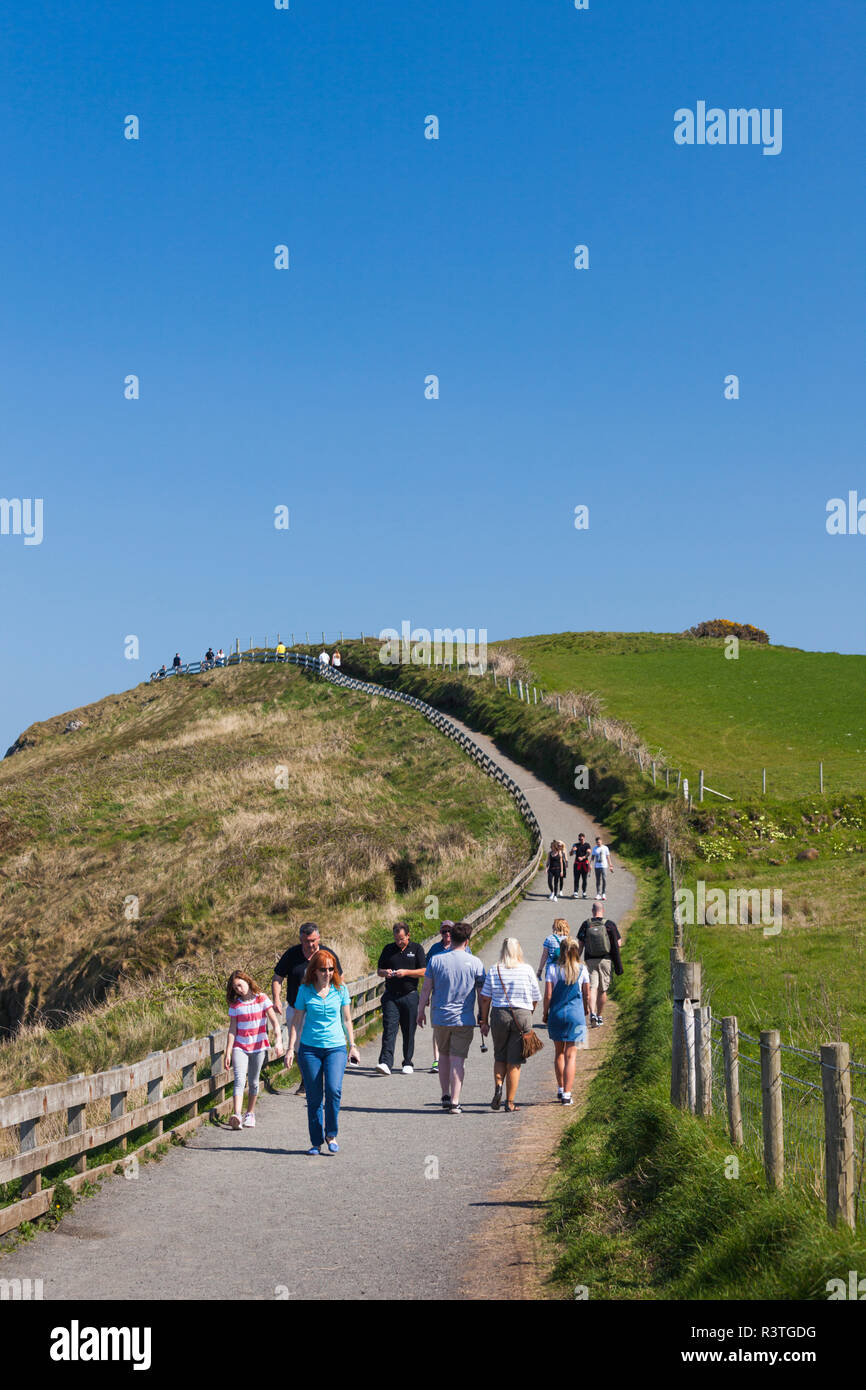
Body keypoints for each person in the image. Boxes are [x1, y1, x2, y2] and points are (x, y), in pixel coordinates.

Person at [286, 951, 360, 1154]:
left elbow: (346, 1019)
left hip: (336, 1047)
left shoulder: (340, 989)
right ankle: (316, 1141)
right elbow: (297, 1022)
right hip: (310, 1049)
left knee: (334, 1090)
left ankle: (331, 1134)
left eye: (331, 969)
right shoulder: (305, 990)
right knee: (314, 1096)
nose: (327, 973)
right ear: (314, 971)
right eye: (323, 969)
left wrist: (352, 1045)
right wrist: (290, 1048)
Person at [417, 922, 485, 1114]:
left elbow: (426, 989)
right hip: (463, 1019)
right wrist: (483, 1017)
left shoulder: (436, 961)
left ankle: (445, 1094)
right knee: (458, 1060)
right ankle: (455, 1101)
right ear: (467, 940)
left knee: (444, 1056)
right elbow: (482, 995)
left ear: (450, 938)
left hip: (440, 1017)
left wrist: (420, 1011)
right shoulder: (476, 963)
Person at [272, 924, 343, 1093]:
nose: (309, 945)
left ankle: (323, 1076)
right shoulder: (292, 954)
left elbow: (338, 979)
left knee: (322, 1043)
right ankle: (307, 1080)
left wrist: (339, 1002)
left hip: (320, 1008)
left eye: (312, 941)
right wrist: (276, 999)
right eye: (305, 941)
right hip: (296, 1008)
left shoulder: (326, 954)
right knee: (297, 1047)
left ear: (318, 938)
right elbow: (277, 977)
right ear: (300, 939)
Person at [479, 938, 541, 1113]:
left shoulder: (495, 969)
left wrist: (483, 1020)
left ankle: (498, 1086)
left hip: (499, 1014)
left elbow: (485, 998)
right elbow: (536, 996)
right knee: (515, 1061)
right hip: (521, 1014)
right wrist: (530, 1013)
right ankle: (510, 1102)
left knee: (500, 1056)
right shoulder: (527, 970)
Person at [223, 971, 284, 1130]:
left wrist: (278, 1042)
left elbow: (275, 1022)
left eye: (240, 984)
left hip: (258, 1046)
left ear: (247, 981)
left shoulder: (262, 998)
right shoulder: (235, 1006)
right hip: (240, 1047)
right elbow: (232, 1030)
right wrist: (228, 1052)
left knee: (254, 1081)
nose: (238, 989)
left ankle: (250, 1113)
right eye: (235, 987)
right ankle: (237, 1114)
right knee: (239, 1080)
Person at [376, 921, 427, 1074]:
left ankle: (408, 1062)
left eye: (402, 939)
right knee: (389, 1028)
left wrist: (406, 972)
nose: (399, 942)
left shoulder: (417, 949)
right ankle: (385, 1062)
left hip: (410, 995)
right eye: (396, 939)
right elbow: (379, 970)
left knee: (408, 1029)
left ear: (408, 936)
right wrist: (386, 973)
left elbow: (424, 971)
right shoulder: (388, 949)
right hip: (391, 995)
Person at [543, 940, 590, 1104]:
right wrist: (586, 1009)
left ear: (561, 951)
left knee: (559, 1053)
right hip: (575, 1015)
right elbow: (587, 994)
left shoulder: (552, 969)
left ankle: (561, 1088)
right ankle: (567, 1095)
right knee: (572, 1055)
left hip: (557, 1013)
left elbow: (548, 995)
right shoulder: (582, 969)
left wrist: (545, 1013)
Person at [577, 903, 623, 1027]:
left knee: (592, 987)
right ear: (603, 910)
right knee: (602, 990)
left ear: (592, 910)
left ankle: (592, 1013)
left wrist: (576, 960)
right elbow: (618, 943)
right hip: (605, 960)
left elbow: (580, 945)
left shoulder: (586, 924)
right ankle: (599, 1016)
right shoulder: (609, 924)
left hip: (590, 960)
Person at [423, 920, 454, 1072]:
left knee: (455, 1027)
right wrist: (426, 994)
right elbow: (427, 974)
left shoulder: (462, 947)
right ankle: (437, 1060)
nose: (447, 934)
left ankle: (453, 1058)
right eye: (444, 931)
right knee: (437, 1027)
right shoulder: (435, 949)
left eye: (449, 931)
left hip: (456, 994)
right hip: (438, 993)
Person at [571, 833, 591, 899]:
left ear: (584, 838)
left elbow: (589, 852)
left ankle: (584, 892)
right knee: (576, 878)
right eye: (579, 839)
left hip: (584, 864)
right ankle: (575, 892)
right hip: (577, 864)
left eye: (581, 839)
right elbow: (571, 854)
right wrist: (572, 850)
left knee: (584, 879)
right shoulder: (576, 845)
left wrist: (583, 857)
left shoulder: (587, 845)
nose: (580, 840)